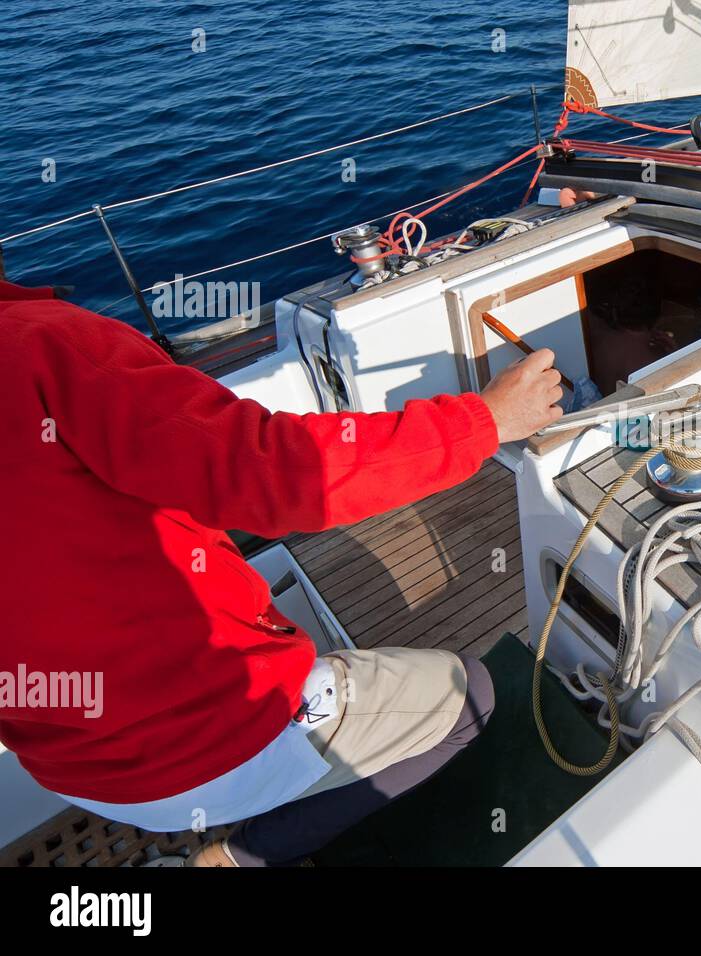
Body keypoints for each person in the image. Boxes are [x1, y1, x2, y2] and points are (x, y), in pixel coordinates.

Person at [0, 280, 563, 866]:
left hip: (70, 767)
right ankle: (242, 856)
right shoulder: (39, 343)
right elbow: (272, 469)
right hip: (198, 745)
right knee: (467, 692)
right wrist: (486, 420)